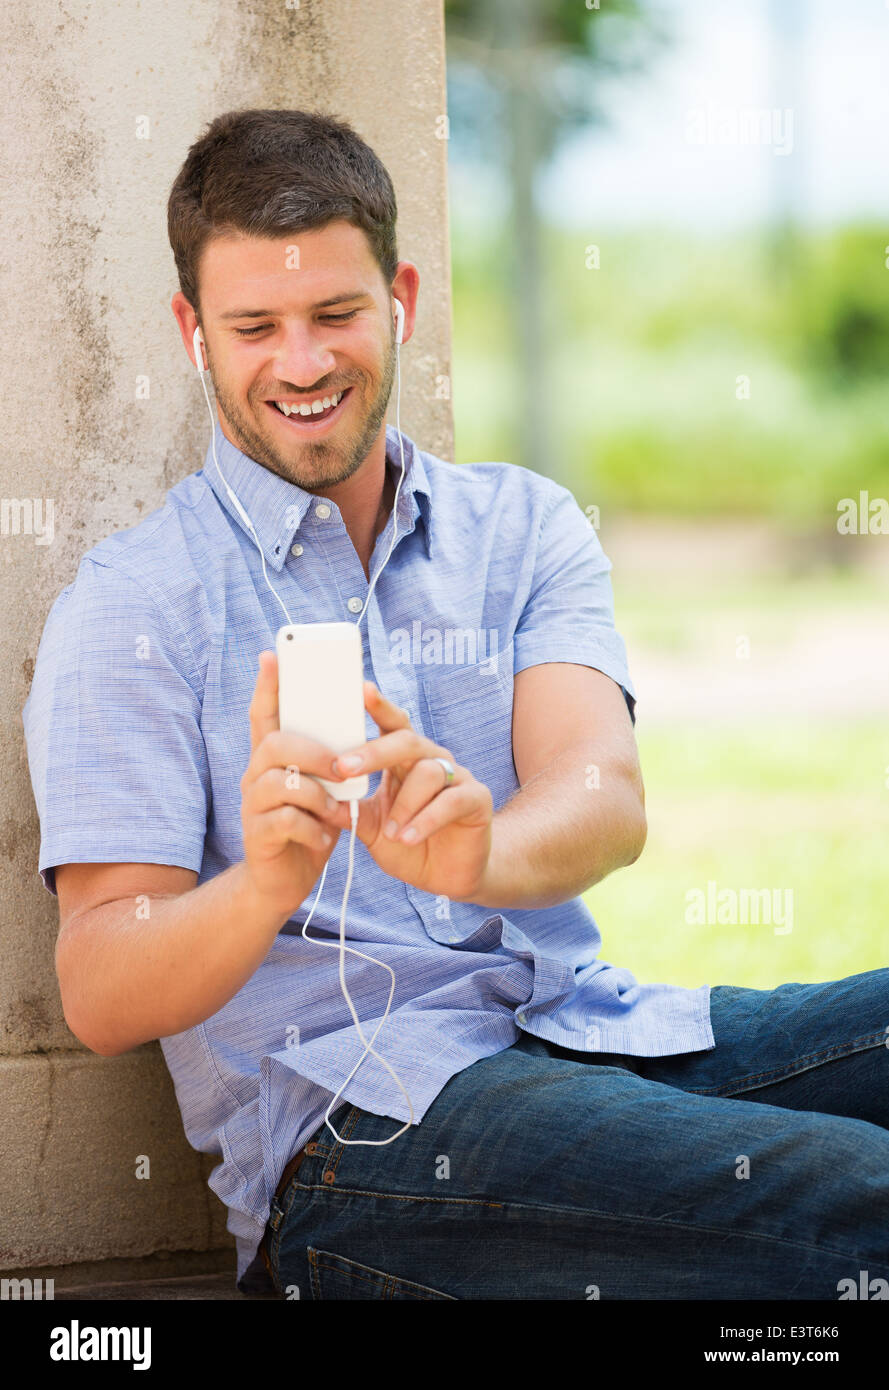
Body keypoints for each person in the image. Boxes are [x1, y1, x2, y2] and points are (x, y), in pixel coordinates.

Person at [22, 108, 889, 1301]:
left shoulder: (521, 526)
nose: (305, 362)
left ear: (403, 301)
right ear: (192, 335)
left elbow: (604, 796)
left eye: (335, 314)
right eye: (255, 327)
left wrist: (479, 852)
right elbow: (102, 988)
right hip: (362, 1142)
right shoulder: (133, 603)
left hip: (586, 1037)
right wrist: (267, 880)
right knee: (853, 1193)